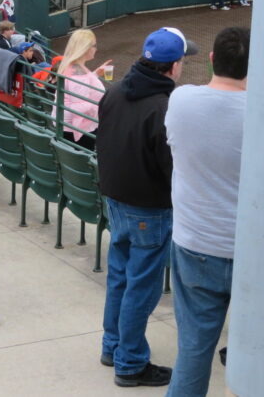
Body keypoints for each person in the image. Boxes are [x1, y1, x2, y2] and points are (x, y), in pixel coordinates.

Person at [95, 27, 198, 388]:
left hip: (116, 200)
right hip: (148, 208)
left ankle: (113, 347)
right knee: (142, 286)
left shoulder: (114, 92)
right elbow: (171, 166)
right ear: (173, 66)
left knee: (120, 277)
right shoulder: (164, 106)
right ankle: (130, 362)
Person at [165, 26, 249, 397]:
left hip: (195, 245)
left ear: (213, 59)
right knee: (257, 355)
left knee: (194, 351)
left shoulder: (181, 99)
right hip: (250, 252)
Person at [54, 29, 111, 151]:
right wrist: (105, 104)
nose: (96, 49)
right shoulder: (79, 74)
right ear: (85, 48)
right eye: (94, 45)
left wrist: (95, 75)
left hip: (68, 127)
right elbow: (78, 109)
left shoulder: (71, 65)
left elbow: (78, 89)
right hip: (79, 131)